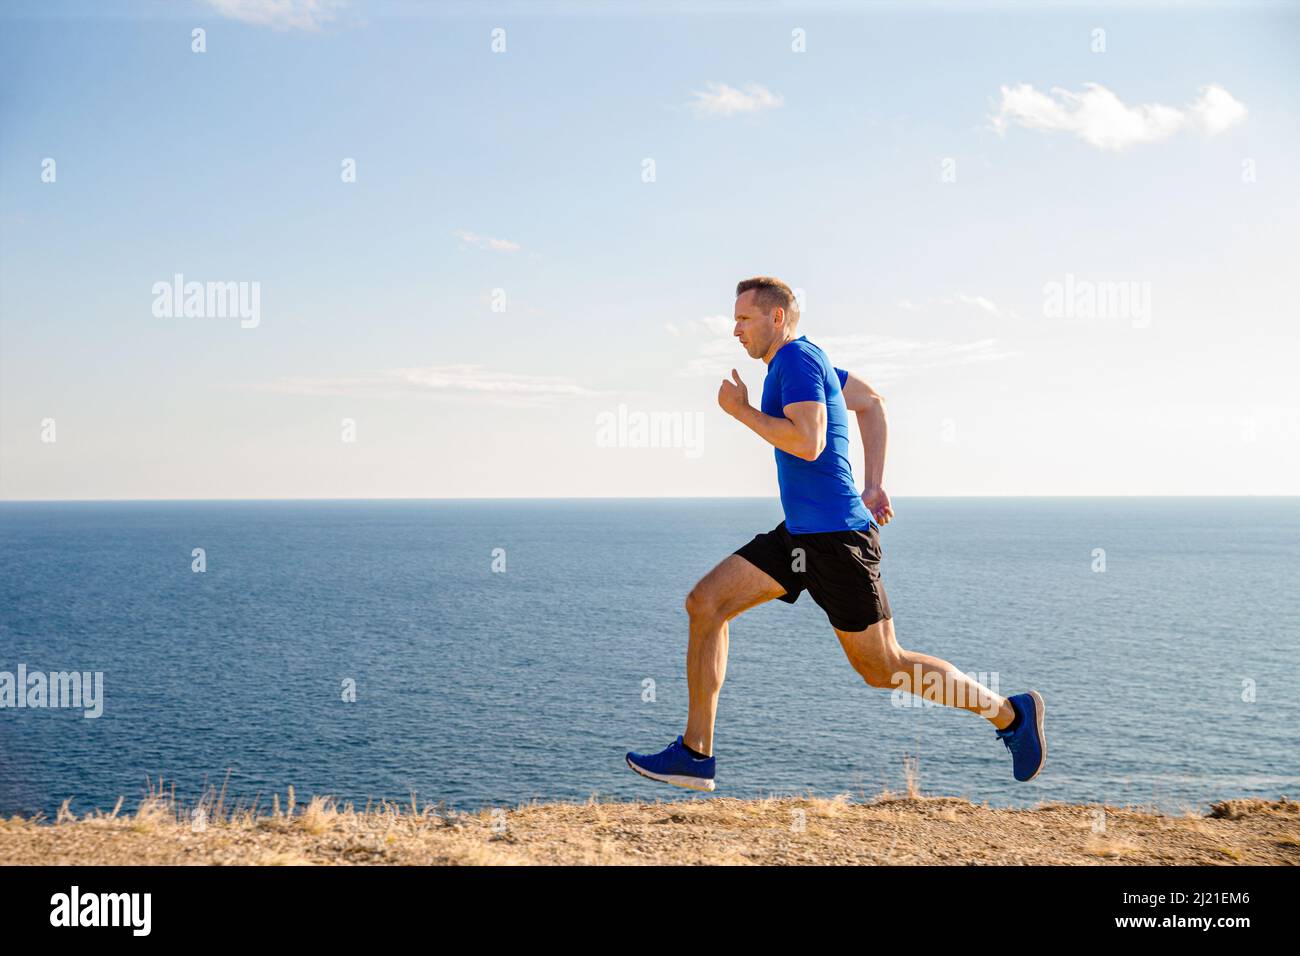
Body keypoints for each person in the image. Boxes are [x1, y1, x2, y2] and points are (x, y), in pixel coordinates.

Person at [626, 276, 1046, 791]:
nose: (734, 330)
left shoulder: (796, 361)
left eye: (743, 318)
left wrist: (741, 412)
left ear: (776, 317)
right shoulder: (809, 360)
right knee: (705, 603)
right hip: (799, 537)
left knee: (884, 666)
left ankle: (1010, 715)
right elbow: (869, 401)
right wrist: (873, 485)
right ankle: (696, 754)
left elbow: (808, 441)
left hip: (836, 542)